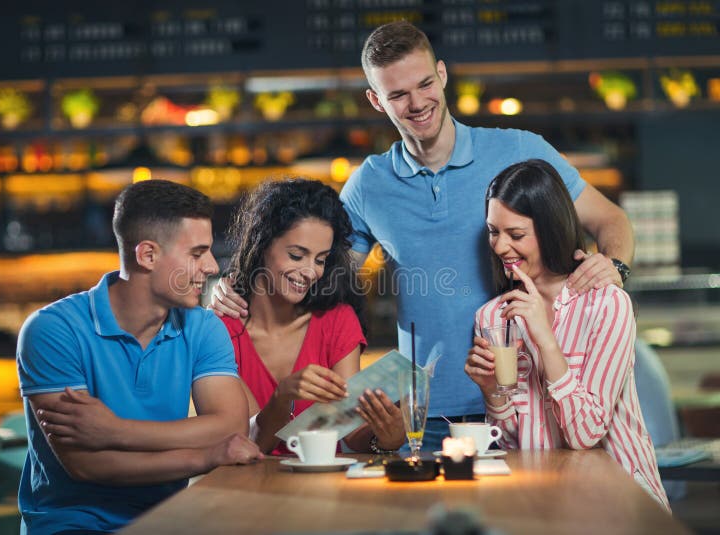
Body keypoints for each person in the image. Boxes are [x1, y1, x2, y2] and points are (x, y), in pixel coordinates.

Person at [212, 21, 635, 450]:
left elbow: (612, 221)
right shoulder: (368, 185)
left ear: (443, 75)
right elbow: (317, 274)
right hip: (424, 411)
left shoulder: (521, 150)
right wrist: (233, 286)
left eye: (424, 84)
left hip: (526, 402)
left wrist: (613, 268)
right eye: (397, 94)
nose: (417, 103)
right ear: (377, 101)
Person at [16, 179, 262, 535]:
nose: (211, 266)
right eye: (197, 253)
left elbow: (231, 426)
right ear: (147, 255)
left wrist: (115, 430)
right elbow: (87, 464)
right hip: (71, 525)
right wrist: (206, 456)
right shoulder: (52, 330)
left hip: (169, 521)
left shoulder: (203, 327)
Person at [464, 159, 668, 509]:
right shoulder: (492, 318)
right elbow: (514, 443)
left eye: (515, 235)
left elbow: (585, 434)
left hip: (620, 500)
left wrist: (545, 339)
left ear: (550, 229)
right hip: (542, 500)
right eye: (493, 231)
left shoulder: (605, 305)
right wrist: (492, 393)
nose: (499, 248)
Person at [222, 178, 405, 455]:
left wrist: (383, 436)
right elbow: (248, 445)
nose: (310, 271)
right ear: (261, 244)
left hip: (325, 489)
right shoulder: (222, 331)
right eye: (297, 255)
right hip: (245, 491)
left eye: (320, 260)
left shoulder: (336, 321)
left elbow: (351, 431)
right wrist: (282, 398)